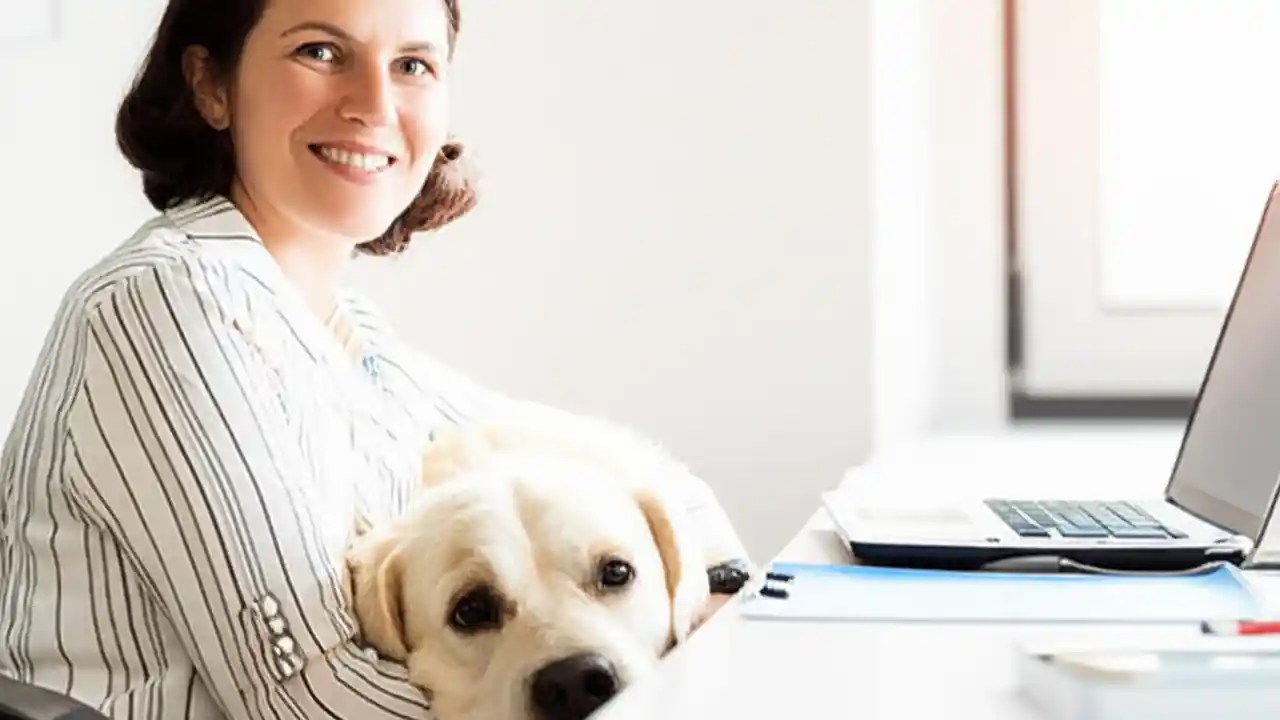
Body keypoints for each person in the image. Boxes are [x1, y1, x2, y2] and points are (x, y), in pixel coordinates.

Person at [0, 0, 750, 717]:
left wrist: (710, 597)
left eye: (414, 65)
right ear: (210, 85)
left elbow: (647, 482)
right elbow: (309, 698)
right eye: (321, 51)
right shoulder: (165, 303)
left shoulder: (346, 336)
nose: (374, 104)